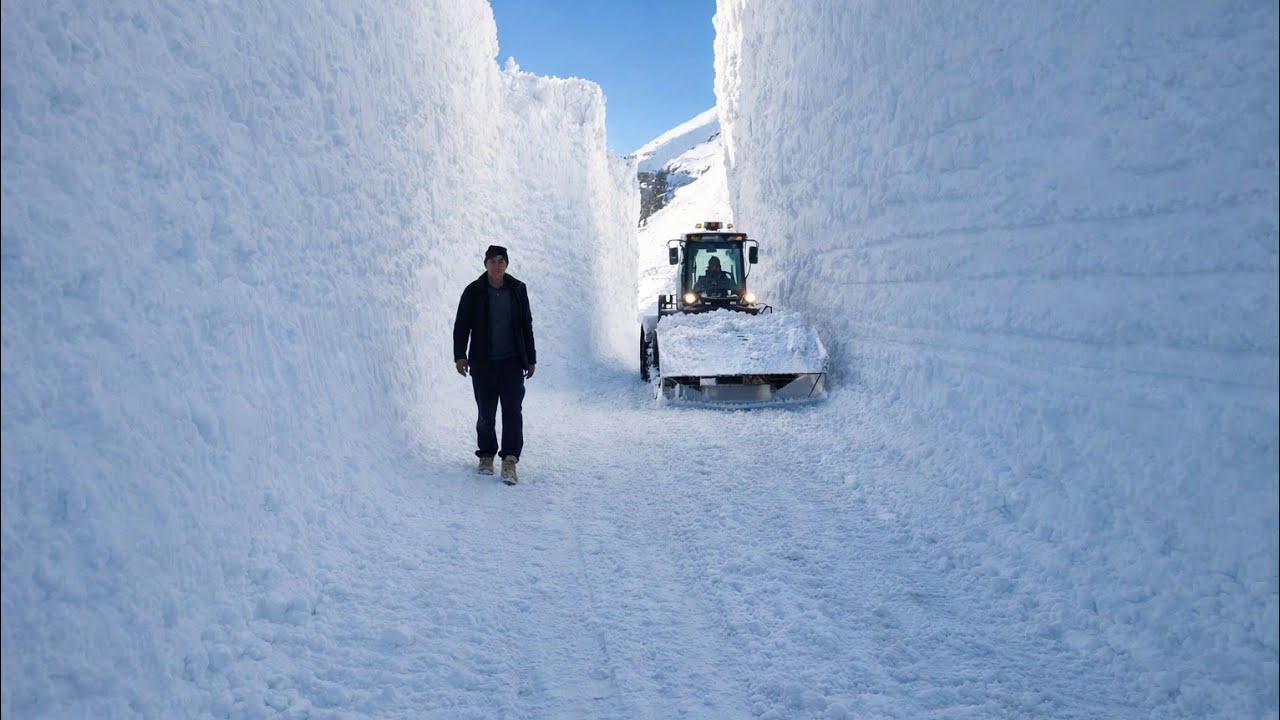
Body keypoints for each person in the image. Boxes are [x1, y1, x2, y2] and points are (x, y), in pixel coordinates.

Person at [453, 245, 536, 484]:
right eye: (492, 261)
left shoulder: (518, 290)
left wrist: (530, 359)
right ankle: (486, 455)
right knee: (486, 413)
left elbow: (526, 326)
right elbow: (462, 326)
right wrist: (460, 355)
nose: (497, 266)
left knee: (512, 412)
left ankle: (510, 460)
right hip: (482, 363)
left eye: (501, 261)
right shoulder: (473, 291)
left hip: (512, 363)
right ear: (485, 264)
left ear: (506, 264)